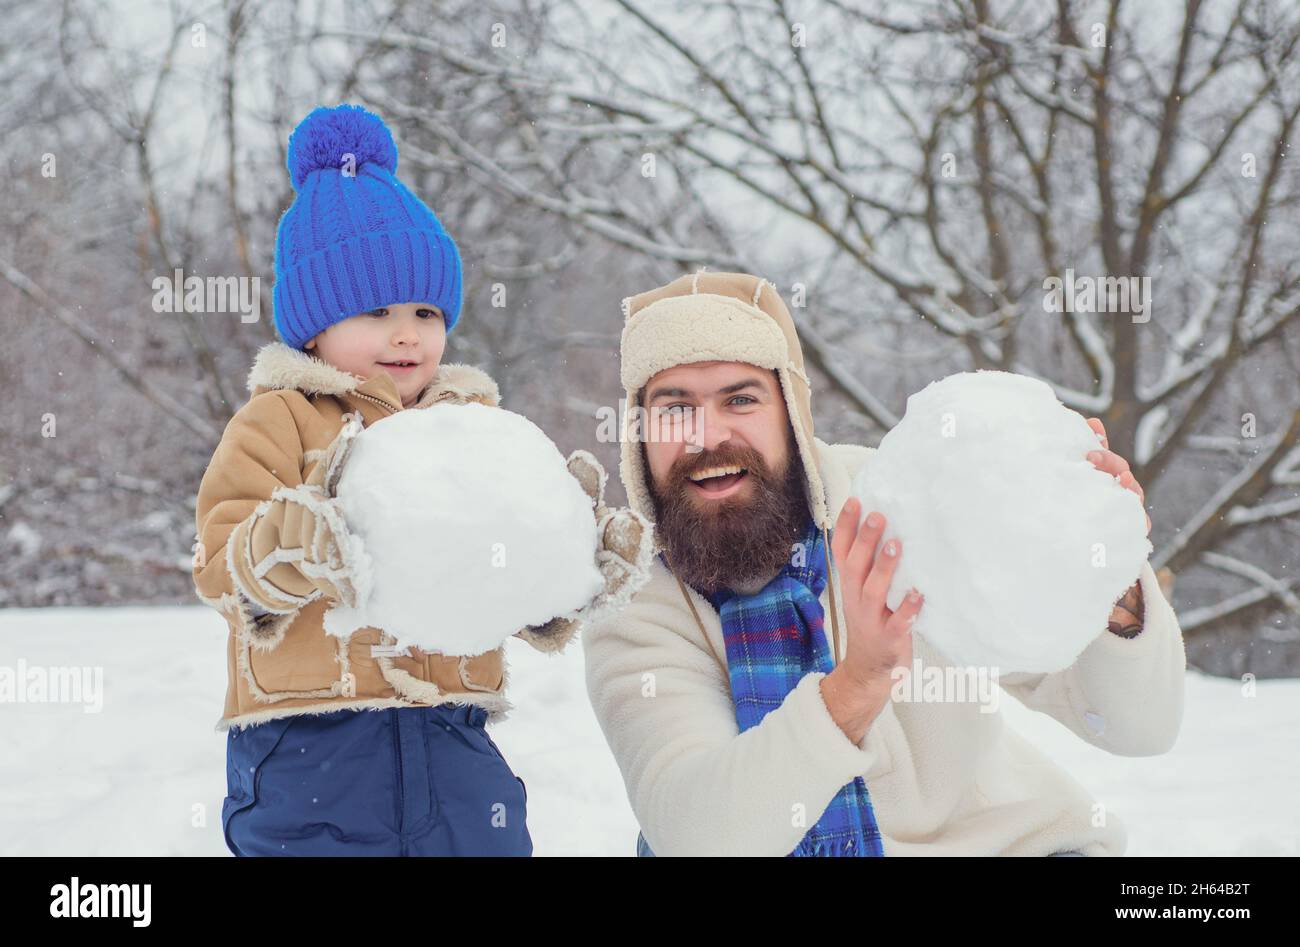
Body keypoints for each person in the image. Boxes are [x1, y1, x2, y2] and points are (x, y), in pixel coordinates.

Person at [584, 270, 1186, 856]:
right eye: (673, 407)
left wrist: (1108, 582)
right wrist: (860, 682)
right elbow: (699, 836)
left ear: (790, 416)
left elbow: (1136, 727)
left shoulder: (900, 505)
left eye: (740, 398)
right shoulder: (635, 608)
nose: (706, 436)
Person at [192, 104, 650, 856]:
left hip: (451, 735)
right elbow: (220, 564)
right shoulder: (280, 421)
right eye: (376, 310)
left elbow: (498, 572)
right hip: (310, 746)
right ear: (314, 324)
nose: (407, 332)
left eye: (427, 309)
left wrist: (568, 568)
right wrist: (280, 546)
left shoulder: (470, 427)